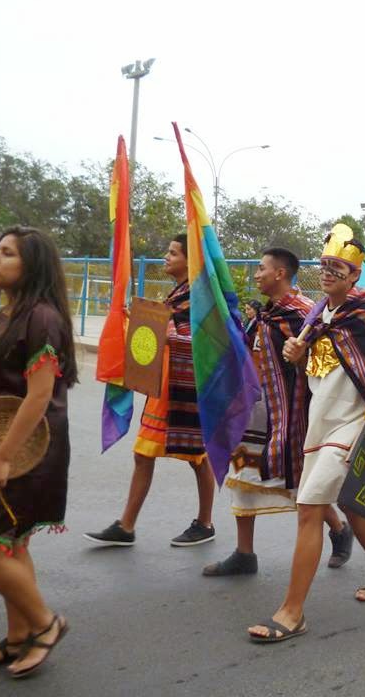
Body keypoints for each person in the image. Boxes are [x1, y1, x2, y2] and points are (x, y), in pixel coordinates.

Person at [247, 225, 365, 643]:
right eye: (325, 265)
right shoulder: (318, 315)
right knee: (352, 509)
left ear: (354, 275)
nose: (329, 272)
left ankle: (292, 612)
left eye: (339, 267)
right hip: (320, 422)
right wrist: (298, 354)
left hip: (354, 425)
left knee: (310, 508)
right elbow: (314, 371)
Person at [0, 226, 76, 677]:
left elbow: (39, 396)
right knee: (9, 544)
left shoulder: (42, 318)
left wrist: (3, 457)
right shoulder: (1, 316)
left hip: (27, 448)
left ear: (32, 266)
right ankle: (15, 640)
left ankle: (45, 624)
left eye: (7, 254)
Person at [204, 248, 354, 576]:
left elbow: (322, 363)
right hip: (255, 409)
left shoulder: (304, 314)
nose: (256, 274)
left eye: (261, 269)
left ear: (280, 274)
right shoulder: (263, 313)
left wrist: (301, 361)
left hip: (291, 412)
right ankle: (245, 554)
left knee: (300, 481)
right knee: (241, 476)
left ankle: (340, 531)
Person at [85, 235, 218, 548]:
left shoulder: (201, 297)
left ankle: (204, 522)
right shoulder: (178, 294)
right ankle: (127, 525)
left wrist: (170, 333)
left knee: (195, 456)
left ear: (190, 259)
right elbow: (164, 331)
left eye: (173, 252)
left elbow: (208, 344)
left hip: (186, 386)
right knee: (148, 454)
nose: (166, 257)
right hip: (164, 386)